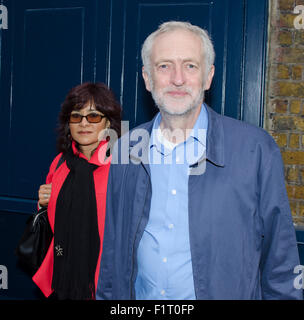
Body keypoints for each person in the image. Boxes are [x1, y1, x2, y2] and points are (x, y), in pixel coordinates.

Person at [96, 21, 303, 300]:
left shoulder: (255, 149)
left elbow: (281, 261)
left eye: (191, 66)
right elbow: (112, 254)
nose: (178, 79)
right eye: (164, 66)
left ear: (208, 77)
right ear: (147, 78)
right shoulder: (125, 149)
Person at [33, 82, 122, 299]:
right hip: (61, 275)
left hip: (107, 280)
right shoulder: (59, 164)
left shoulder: (122, 166)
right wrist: (43, 202)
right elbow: (52, 219)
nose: (83, 123)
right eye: (76, 116)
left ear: (108, 122)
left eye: (93, 116)